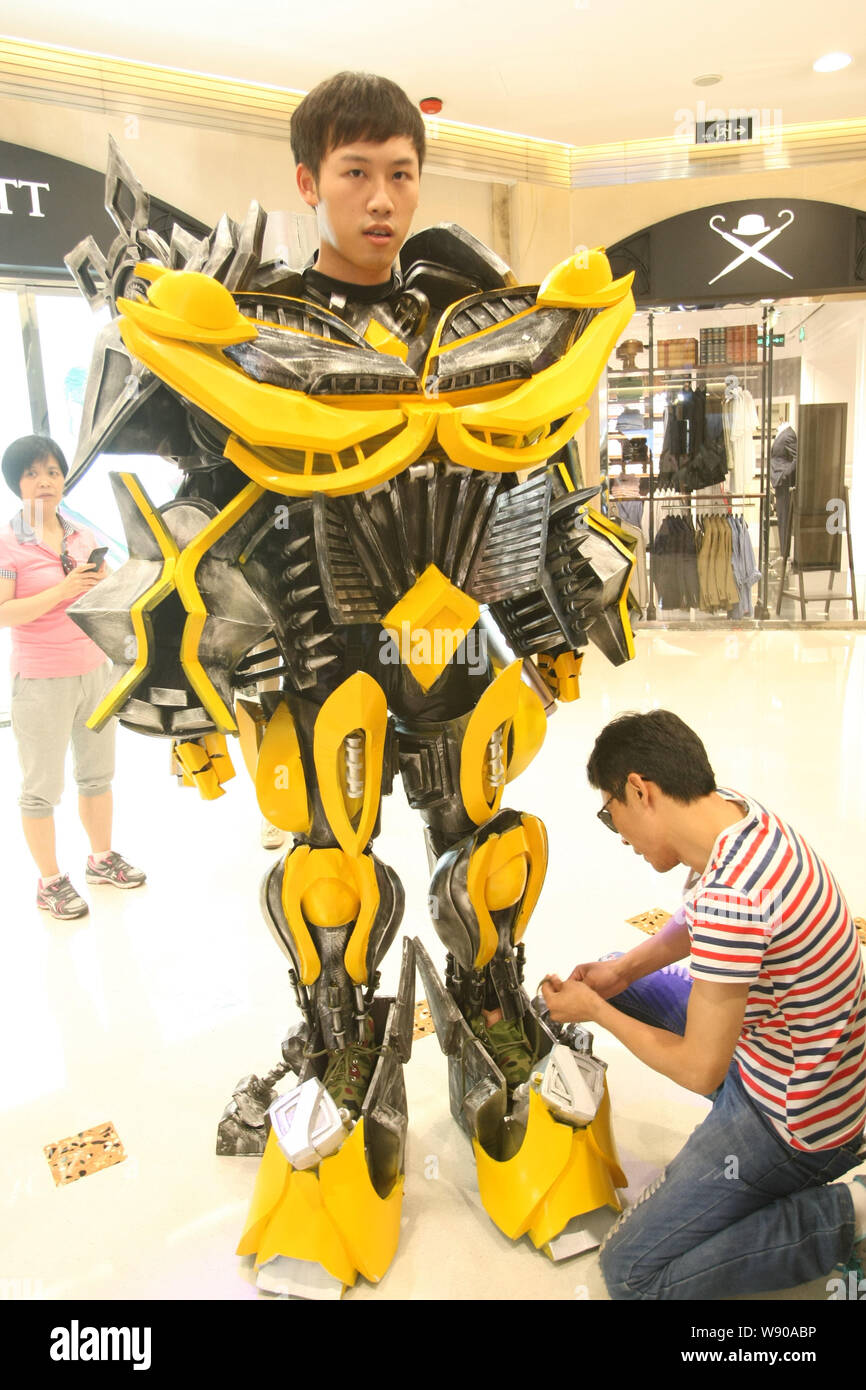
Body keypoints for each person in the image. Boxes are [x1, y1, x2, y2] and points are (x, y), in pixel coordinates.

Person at [542, 708, 866, 1300]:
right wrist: (618, 974)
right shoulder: (735, 816)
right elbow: (693, 924)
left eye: (612, 815)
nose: (622, 838)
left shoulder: (734, 896)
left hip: (797, 1119)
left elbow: (699, 1068)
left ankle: (847, 1216)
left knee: (632, 1274)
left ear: (640, 791)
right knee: (625, 977)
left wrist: (596, 1011)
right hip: (802, 1050)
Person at [0, 434, 146, 920]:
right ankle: (49, 882)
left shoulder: (82, 534)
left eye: (53, 472)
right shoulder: (8, 543)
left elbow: (112, 592)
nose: (44, 481)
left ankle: (102, 860)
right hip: (40, 680)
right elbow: (4, 613)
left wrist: (104, 583)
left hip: (94, 671)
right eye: (32, 473)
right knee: (41, 787)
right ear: (16, 483)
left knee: (97, 776)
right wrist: (63, 589)